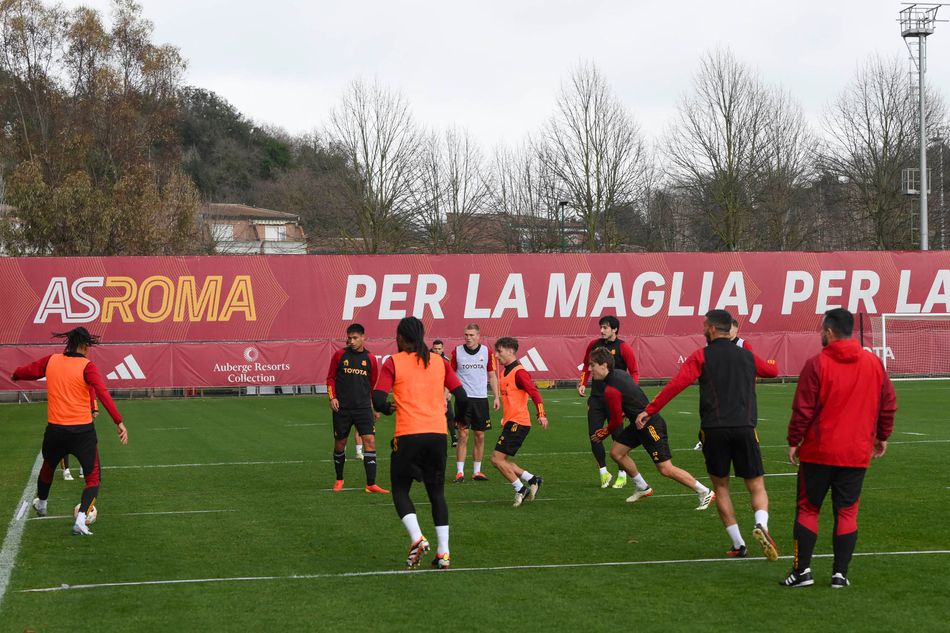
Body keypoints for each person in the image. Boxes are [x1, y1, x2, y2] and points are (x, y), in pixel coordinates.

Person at [635, 309, 780, 560]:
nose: (703, 328)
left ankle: (739, 544)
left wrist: (649, 410)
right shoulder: (746, 355)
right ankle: (761, 525)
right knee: (756, 485)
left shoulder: (701, 356)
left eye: (705, 325)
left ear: (712, 328)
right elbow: (773, 371)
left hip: (714, 431)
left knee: (721, 487)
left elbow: (675, 385)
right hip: (745, 428)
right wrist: (769, 362)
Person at [780, 308, 896, 589]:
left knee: (808, 509)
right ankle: (839, 575)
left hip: (819, 452)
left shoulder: (816, 364)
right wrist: (882, 435)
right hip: (855, 453)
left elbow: (803, 409)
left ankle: (802, 572)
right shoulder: (873, 364)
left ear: (829, 332)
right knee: (847, 512)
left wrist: (794, 440)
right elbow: (888, 403)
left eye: (822, 329)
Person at [11, 327, 128, 536]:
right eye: (88, 347)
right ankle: (81, 519)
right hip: (82, 433)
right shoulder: (87, 366)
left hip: (55, 431)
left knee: (47, 467)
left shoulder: (51, 361)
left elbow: (28, 370)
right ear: (83, 346)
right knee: (93, 478)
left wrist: (16, 374)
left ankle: (42, 504)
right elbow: (102, 392)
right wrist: (118, 421)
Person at [372, 317, 469, 570]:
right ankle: (444, 553)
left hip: (408, 435)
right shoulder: (438, 361)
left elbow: (378, 398)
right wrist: (459, 420)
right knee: (436, 493)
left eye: (397, 336)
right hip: (437, 435)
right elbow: (462, 395)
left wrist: (387, 408)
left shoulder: (394, 362)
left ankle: (417, 538)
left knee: (400, 489)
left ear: (403, 338)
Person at [588, 348, 715, 510]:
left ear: (604, 365)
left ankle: (704, 491)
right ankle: (642, 487)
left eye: (592, 365)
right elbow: (632, 397)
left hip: (650, 425)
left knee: (665, 468)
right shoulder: (620, 374)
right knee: (616, 452)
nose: (590, 369)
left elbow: (615, 422)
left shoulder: (611, 389)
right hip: (638, 423)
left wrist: (603, 433)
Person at [578, 315, 640, 488]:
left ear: (615, 330)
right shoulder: (594, 345)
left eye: (605, 327)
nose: (602, 330)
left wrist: (629, 394)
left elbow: (634, 371)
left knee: (618, 438)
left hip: (616, 399)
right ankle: (603, 472)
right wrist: (583, 383)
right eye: (601, 327)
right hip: (596, 398)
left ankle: (622, 474)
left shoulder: (624, 348)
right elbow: (585, 365)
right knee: (594, 436)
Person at [326, 323, 387, 493]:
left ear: (363, 338)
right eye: (349, 338)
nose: (351, 341)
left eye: (355, 338)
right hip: (342, 409)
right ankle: (339, 480)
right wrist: (333, 397)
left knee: (370, 441)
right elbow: (330, 378)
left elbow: (374, 385)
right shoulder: (339, 355)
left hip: (363, 408)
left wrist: (376, 407)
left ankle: (371, 484)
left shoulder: (370, 359)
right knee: (340, 443)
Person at [489, 337, 548, 507]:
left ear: (510, 351)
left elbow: (534, 393)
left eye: (499, 351)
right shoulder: (504, 372)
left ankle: (520, 489)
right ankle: (533, 479)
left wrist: (541, 414)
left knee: (496, 459)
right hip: (511, 422)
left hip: (519, 423)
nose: (497, 355)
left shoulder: (520, 372)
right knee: (502, 461)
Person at [694, 318, 754, 451]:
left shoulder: (743, 345)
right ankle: (703, 439)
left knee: (742, 417)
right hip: (719, 388)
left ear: (736, 329)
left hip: (738, 389)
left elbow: (753, 366)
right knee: (712, 414)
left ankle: (747, 442)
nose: (728, 331)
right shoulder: (714, 344)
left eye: (731, 328)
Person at [451, 323, 499, 483]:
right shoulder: (456, 352)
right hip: (463, 400)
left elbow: (492, 376)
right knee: (463, 435)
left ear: (478, 336)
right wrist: (447, 394)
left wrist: (497, 397)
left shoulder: (487, 352)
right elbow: (450, 376)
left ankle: (477, 471)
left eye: (471, 335)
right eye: (466, 335)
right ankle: (460, 472)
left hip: (481, 400)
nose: (468, 338)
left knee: (479, 435)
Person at [431, 340, 458, 448]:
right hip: (429, 393)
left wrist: (448, 392)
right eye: (435, 349)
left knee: (449, 415)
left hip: (442, 392)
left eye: (439, 349)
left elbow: (449, 378)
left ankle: (454, 437)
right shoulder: (426, 358)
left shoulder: (446, 361)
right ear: (432, 348)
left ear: (443, 349)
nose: (437, 351)